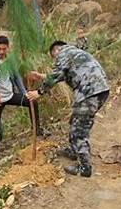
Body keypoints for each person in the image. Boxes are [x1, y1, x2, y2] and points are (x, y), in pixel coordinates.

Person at [27, 41, 110, 177]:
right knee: (75, 121)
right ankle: (73, 151)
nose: (54, 60)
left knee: (79, 129)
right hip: (99, 91)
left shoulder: (63, 53)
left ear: (55, 50)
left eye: (53, 57)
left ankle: (85, 168)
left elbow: (56, 74)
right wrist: (41, 76)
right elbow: (62, 75)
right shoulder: (75, 54)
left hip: (89, 93)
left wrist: (39, 92)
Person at [0, 35, 40, 149]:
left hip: (10, 95)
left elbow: (17, 77)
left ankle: (37, 130)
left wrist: (24, 92)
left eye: (4, 49)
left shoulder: (10, 60)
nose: (1, 51)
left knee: (32, 102)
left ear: (8, 48)